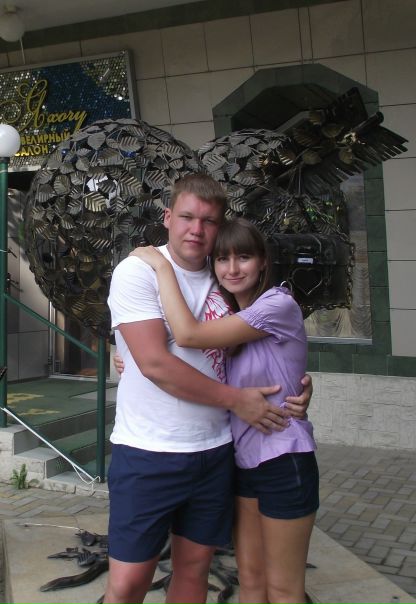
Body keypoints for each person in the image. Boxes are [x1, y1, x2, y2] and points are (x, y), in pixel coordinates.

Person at [105, 173, 312, 604]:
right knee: (127, 584)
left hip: (218, 452)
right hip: (149, 451)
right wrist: (123, 352)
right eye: (186, 217)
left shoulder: (225, 280)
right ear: (167, 217)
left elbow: (257, 345)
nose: (196, 230)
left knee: (194, 571)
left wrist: (299, 384)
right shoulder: (139, 269)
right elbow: (156, 363)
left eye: (209, 221)